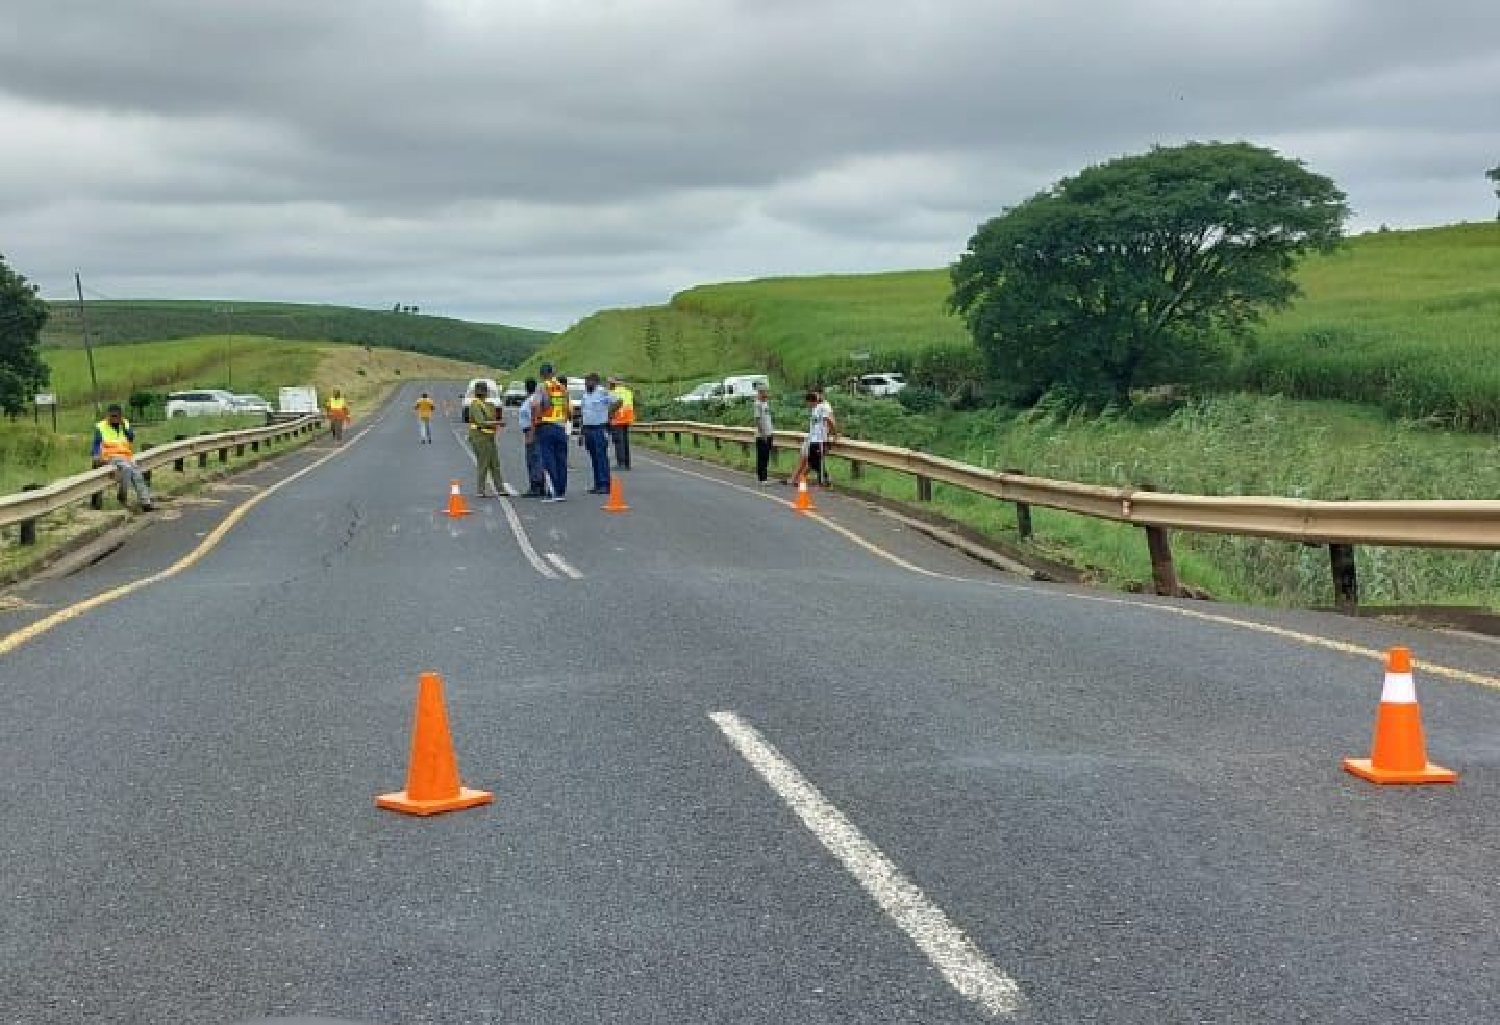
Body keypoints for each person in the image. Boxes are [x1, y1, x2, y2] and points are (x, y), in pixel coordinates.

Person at [92, 403, 154, 512]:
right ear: (108, 416)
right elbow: (96, 443)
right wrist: (96, 456)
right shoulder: (101, 426)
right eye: (112, 416)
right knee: (127, 468)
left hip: (126, 456)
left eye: (117, 416)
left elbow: (130, 438)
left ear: (121, 416)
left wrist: (124, 427)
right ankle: (122, 496)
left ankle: (146, 503)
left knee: (137, 474)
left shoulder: (125, 424)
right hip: (110, 456)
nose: (114, 418)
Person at [530, 362, 571, 502]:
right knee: (561, 460)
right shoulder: (562, 387)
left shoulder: (542, 387)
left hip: (546, 426)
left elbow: (536, 405)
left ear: (542, 374)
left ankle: (552, 491)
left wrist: (535, 424)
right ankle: (561, 491)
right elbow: (568, 409)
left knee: (548, 460)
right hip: (560, 426)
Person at [578, 373, 622, 495]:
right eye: (585, 382)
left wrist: (609, 413)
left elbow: (619, 401)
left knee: (601, 456)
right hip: (588, 429)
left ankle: (605, 484)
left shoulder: (602, 392)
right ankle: (598, 484)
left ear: (595, 382)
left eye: (588, 381)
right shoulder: (585, 395)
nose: (586, 384)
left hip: (599, 428)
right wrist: (581, 434)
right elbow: (584, 415)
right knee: (594, 457)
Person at [790, 389, 837, 486]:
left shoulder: (823, 407)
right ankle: (823, 479)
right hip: (813, 439)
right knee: (813, 461)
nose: (808, 405)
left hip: (819, 439)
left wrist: (834, 434)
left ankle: (825, 478)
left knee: (814, 462)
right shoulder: (816, 408)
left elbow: (830, 420)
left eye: (809, 403)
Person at [466, 381, 505, 497]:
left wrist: (495, 423)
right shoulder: (475, 405)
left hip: (489, 436)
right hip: (479, 437)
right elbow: (481, 422)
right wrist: (497, 422)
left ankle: (500, 488)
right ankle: (481, 490)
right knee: (483, 463)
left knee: (495, 463)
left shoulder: (486, 404)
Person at [515, 377, 545, 496]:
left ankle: (536, 486)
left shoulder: (532, 400)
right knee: (535, 458)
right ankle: (538, 485)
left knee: (533, 459)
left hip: (531, 431)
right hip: (530, 430)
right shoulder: (531, 399)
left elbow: (534, 418)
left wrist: (530, 434)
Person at [607, 375, 634, 470]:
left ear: (614, 383)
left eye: (610, 383)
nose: (608, 384)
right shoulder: (628, 392)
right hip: (627, 419)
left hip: (617, 419)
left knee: (619, 442)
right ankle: (627, 463)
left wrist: (608, 418)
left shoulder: (613, 392)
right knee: (625, 441)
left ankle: (621, 464)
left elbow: (610, 407)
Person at [752, 383, 775, 484]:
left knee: (766, 455)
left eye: (766, 391)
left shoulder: (765, 403)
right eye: (765, 392)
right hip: (762, 435)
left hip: (769, 433)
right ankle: (762, 478)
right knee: (762, 456)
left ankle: (762, 476)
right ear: (760, 393)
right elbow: (757, 420)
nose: (766, 394)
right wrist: (763, 434)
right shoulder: (758, 404)